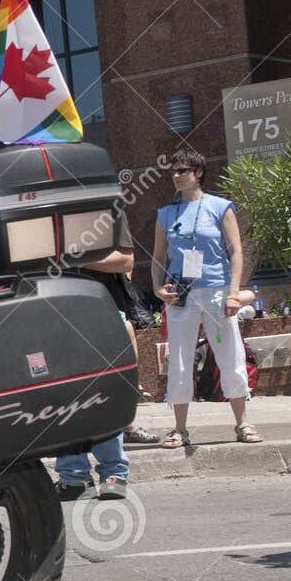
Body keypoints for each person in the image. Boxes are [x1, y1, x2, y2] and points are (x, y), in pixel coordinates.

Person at [153, 147, 261, 446]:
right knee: (180, 359)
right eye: (173, 171)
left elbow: (236, 250)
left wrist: (234, 292)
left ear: (198, 172)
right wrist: (156, 288)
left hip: (216, 290)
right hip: (181, 294)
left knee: (230, 354)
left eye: (183, 170)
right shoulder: (166, 213)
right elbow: (158, 256)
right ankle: (180, 428)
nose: (176, 176)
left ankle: (243, 423)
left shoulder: (220, 207)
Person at [56, 244, 137, 499]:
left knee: (103, 393)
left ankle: (113, 473)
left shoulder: (103, 210)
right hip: (55, 310)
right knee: (64, 394)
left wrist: (73, 258)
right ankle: (73, 477)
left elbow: (126, 261)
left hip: (99, 309)